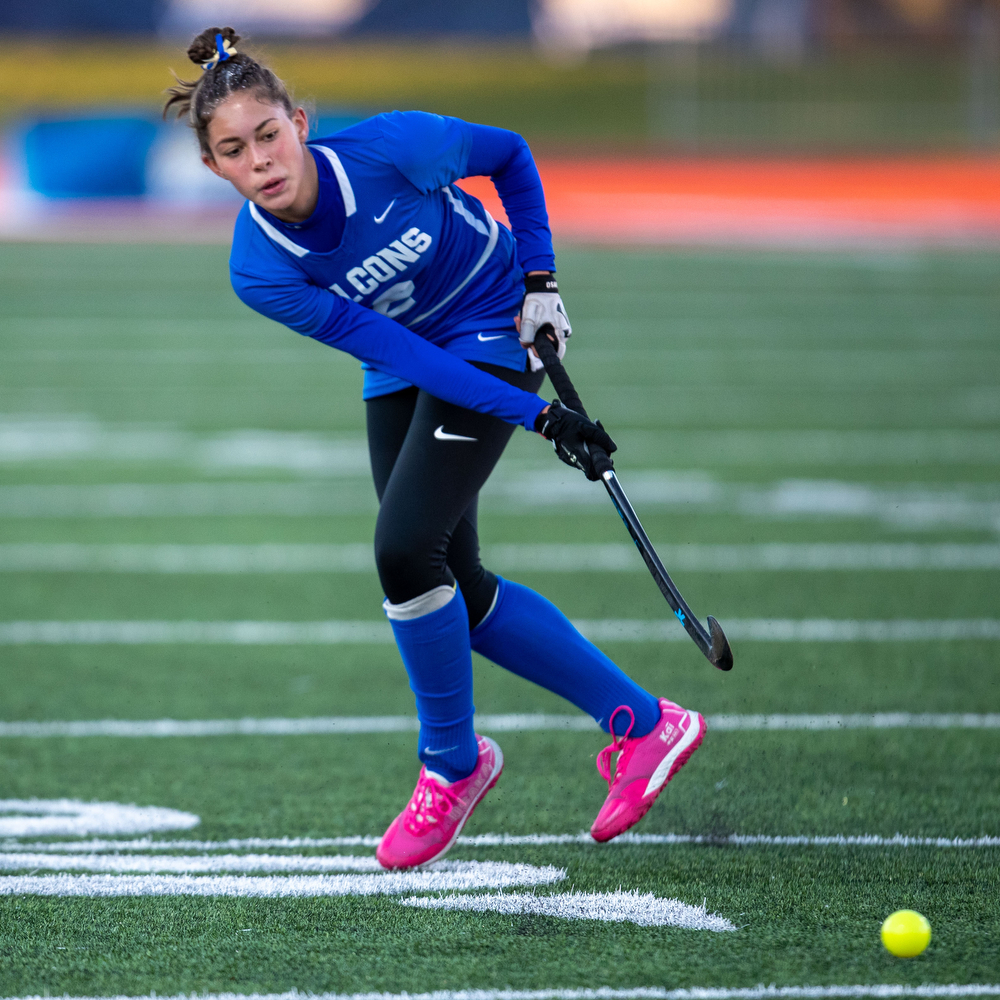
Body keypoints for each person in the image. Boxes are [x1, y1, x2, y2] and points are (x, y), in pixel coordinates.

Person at [164, 27, 706, 870]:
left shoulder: (394, 147)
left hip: (492, 316)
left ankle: (451, 764)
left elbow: (510, 155)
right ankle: (645, 725)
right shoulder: (259, 269)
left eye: (268, 134)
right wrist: (539, 419)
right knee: (451, 577)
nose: (260, 160)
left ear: (299, 123)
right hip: (406, 353)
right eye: (234, 150)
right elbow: (400, 354)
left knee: (403, 550)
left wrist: (540, 282)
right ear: (213, 167)